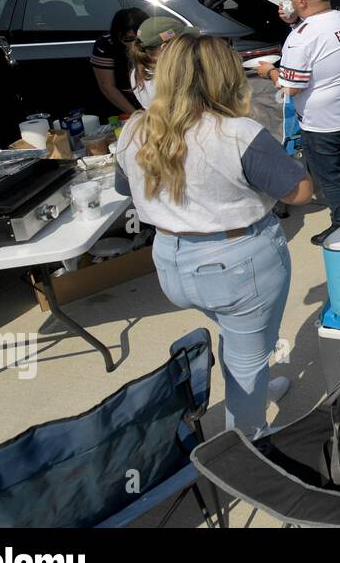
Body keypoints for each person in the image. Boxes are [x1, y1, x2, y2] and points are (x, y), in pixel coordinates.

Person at [115, 33, 314, 437]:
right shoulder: (237, 132)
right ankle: (247, 441)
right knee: (246, 356)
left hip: (172, 263)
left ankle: (254, 390)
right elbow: (300, 192)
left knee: (240, 339)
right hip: (235, 264)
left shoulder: (135, 127)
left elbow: (125, 187)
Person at [256, 0, 340, 245]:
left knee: (331, 179)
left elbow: (291, 87)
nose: (290, 0)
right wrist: (296, 22)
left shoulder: (302, 36)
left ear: (302, 1)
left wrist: (269, 71)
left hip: (324, 124)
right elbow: (323, 45)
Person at [128, 16, 198, 110]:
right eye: (183, 42)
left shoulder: (137, 72)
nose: (188, 45)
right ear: (165, 48)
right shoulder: (174, 75)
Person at [91, 7, 149, 115]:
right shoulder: (105, 44)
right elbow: (107, 86)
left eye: (139, 39)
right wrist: (136, 115)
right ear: (117, 34)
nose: (134, 44)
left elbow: (175, 31)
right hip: (123, 104)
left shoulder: (157, 38)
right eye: (128, 39)